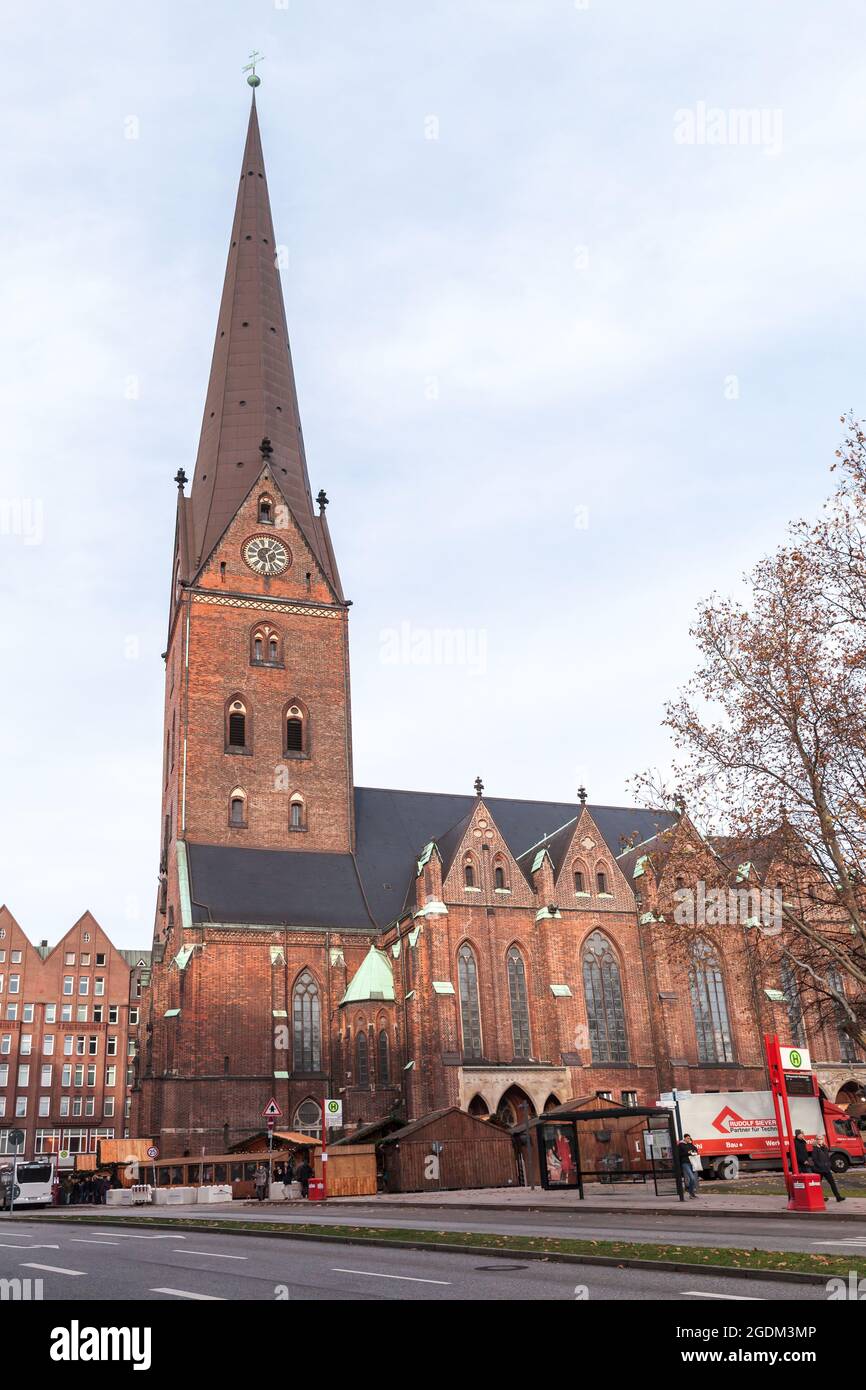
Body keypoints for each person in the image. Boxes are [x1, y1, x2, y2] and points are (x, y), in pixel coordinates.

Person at [811, 1138, 845, 1203]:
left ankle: (838, 1197)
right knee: (817, 1184)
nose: (819, 1140)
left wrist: (829, 1165)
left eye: (821, 1139)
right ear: (816, 1140)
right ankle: (819, 1198)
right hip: (819, 1170)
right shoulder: (815, 1149)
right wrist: (820, 1166)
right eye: (818, 1139)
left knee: (832, 1183)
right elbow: (814, 1159)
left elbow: (827, 1158)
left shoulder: (825, 1148)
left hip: (826, 1169)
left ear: (823, 1140)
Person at [677, 1133, 701, 1199]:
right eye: (687, 1138)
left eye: (689, 1138)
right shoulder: (681, 1145)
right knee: (692, 1178)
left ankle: (692, 1194)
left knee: (693, 1179)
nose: (688, 1139)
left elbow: (695, 1149)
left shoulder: (690, 1144)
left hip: (692, 1162)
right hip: (685, 1163)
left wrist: (690, 1144)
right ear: (684, 1138)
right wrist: (688, 1152)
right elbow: (681, 1153)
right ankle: (691, 1192)